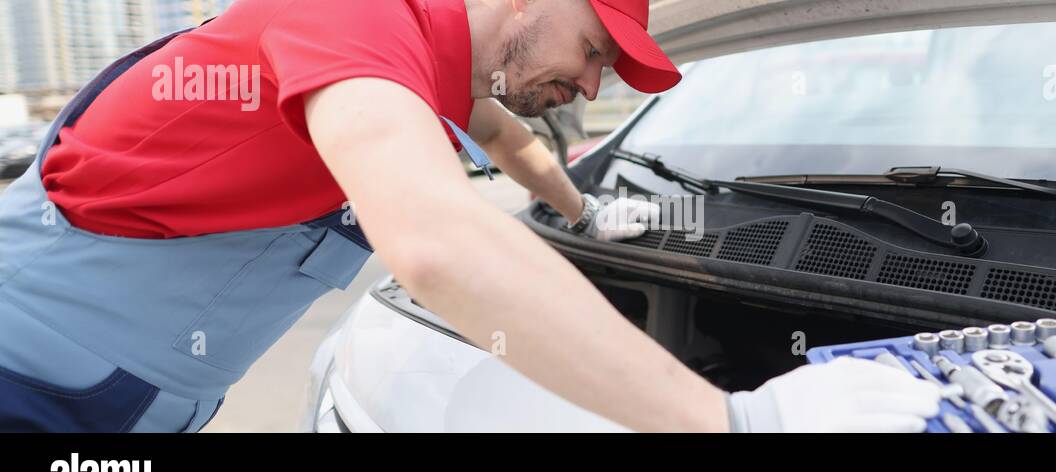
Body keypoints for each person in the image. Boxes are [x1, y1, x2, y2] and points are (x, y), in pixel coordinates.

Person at [0, 0, 938, 433]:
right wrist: (731, 421)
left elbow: (508, 136)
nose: (593, 79)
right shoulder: (357, 20)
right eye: (596, 45)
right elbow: (437, 243)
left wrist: (589, 212)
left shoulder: (426, 64)